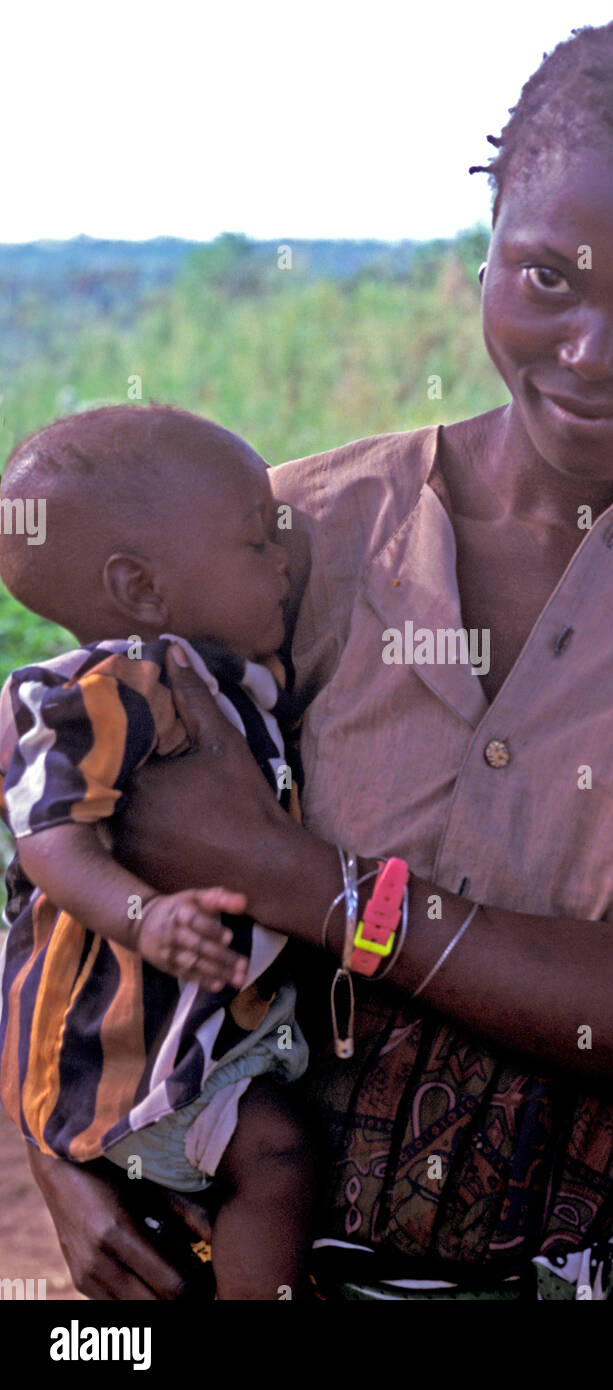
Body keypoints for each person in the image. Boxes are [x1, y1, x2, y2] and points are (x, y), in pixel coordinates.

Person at [14, 13, 613, 1301]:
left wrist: (314, 886)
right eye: (545, 279)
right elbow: (61, 832)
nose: (592, 349)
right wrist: (57, 1147)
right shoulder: (281, 538)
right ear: (487, 248)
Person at [0, 406, 317, 1299]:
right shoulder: (109, 691)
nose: (284, 562)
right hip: (139, 1055)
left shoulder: (222, 675)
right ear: (140, 590)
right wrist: (146, 913)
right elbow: (48, 838)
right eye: (256, 546)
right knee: (279, 1160)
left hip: (206, 1034)